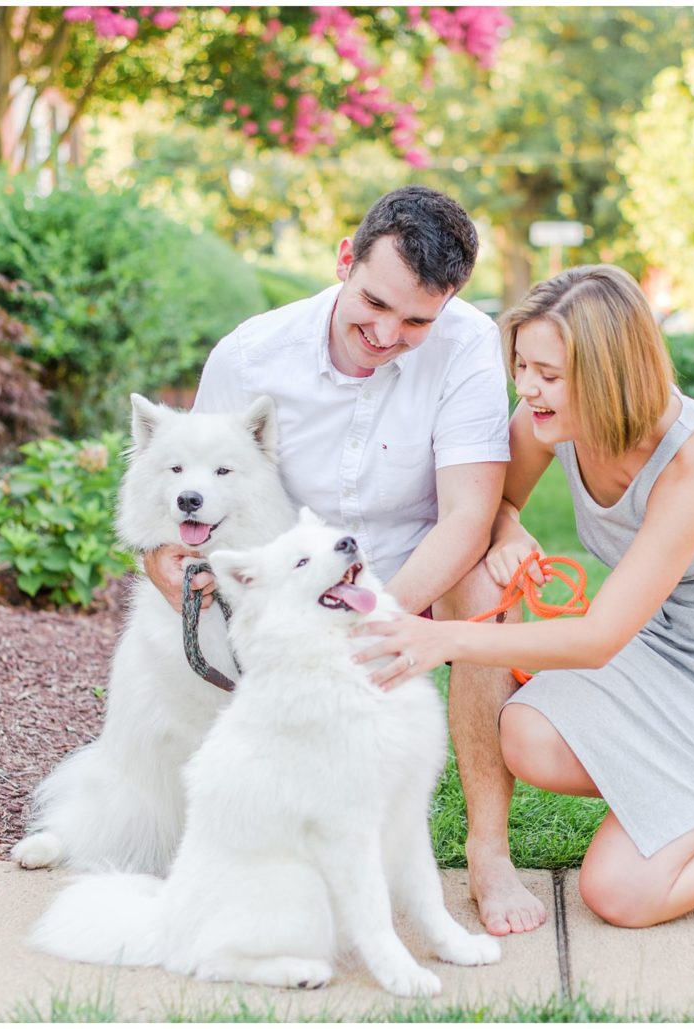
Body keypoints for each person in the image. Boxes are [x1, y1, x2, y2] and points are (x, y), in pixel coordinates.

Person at [353, 265, 694, 928]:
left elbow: (597, 639)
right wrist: (508, 529)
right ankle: (678, 800)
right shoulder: (552, 418)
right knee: (526, 734)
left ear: (607, 374)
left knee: (622, 894)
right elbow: (499, 500)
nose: (528, 388)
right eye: (522, 365)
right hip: (660, 651)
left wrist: (440, 639)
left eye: (547, 372)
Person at [144, 186, 550, 936]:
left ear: (451, 302)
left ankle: (489, 850)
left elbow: (468, 516)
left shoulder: (466, 344)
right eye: (374, 304)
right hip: (291, 585)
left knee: (486, 581)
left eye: (416, 320)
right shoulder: (249, 355)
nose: (388, 333)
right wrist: (176, 568)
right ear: (343, 260)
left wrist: (381, 621)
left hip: (419, 572)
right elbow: (190, 492)